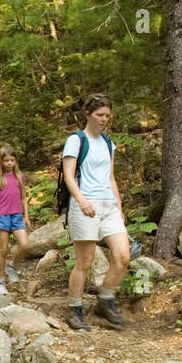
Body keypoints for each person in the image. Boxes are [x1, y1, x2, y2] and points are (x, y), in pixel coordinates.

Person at [61, 94, 131, 330]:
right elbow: (69, 175)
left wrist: (119, 207)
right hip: (85, 204)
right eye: (100, 115)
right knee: (85, 261)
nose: (104, 120)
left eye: (107, 116)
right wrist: (81, 201)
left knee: (123, 256)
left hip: (108, 205)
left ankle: (105, 301)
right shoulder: (76, 140)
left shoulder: (109, 143)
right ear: (88, 115)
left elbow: (111, 178)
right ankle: (74, 309)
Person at [0, 144, 29, 294]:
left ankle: (12, 266)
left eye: (12, 160)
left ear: (16, 161)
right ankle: (0, 281)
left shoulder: (19, 176)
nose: (9, 163)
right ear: (1, 162)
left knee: (25, 245)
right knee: (3, 249)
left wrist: (26, 215)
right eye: (6, 161)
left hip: (17, 215)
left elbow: (23, 197)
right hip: (2, 215)